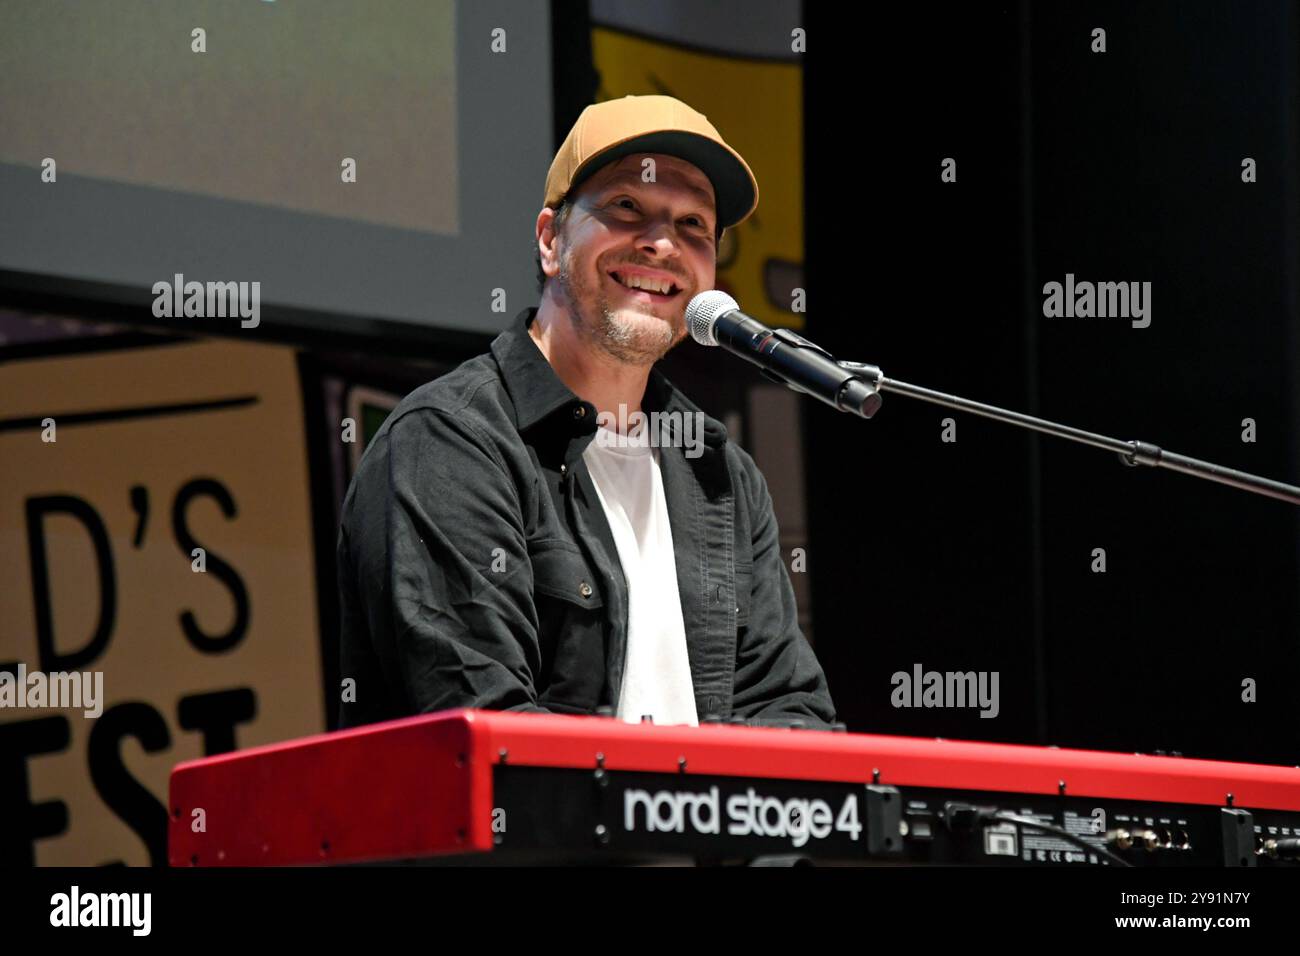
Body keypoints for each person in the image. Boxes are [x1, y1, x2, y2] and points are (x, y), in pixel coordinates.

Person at [336, 94, 836, 729]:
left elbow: (791, 711)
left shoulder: (719, 475)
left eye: (693, 227)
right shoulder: (451, 443)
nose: (662, 244)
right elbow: (491, 732)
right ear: (550, 240)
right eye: (628, 207)